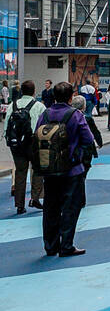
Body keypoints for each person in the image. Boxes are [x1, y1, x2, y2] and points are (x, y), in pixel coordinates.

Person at [32, 81, 96, 258]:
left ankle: (50, 246)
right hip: (72, 170)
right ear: (71, 97)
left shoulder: (44, 115)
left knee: (50, 208)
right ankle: (66, 245)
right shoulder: (75, 115)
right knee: (70, 208)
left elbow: (36, 135)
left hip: (49, 169)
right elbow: (88, 139)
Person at [5, 78, 44, 214]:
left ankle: (19, 205)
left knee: (20, 172)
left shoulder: (12, 105)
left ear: (21, 91)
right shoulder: (39, 106)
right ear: (34, 92)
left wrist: (10, 141)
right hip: (33, 142)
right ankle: (36, 198)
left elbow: (6, 127)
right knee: (37, 170)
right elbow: (44, 125)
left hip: (16, 144)